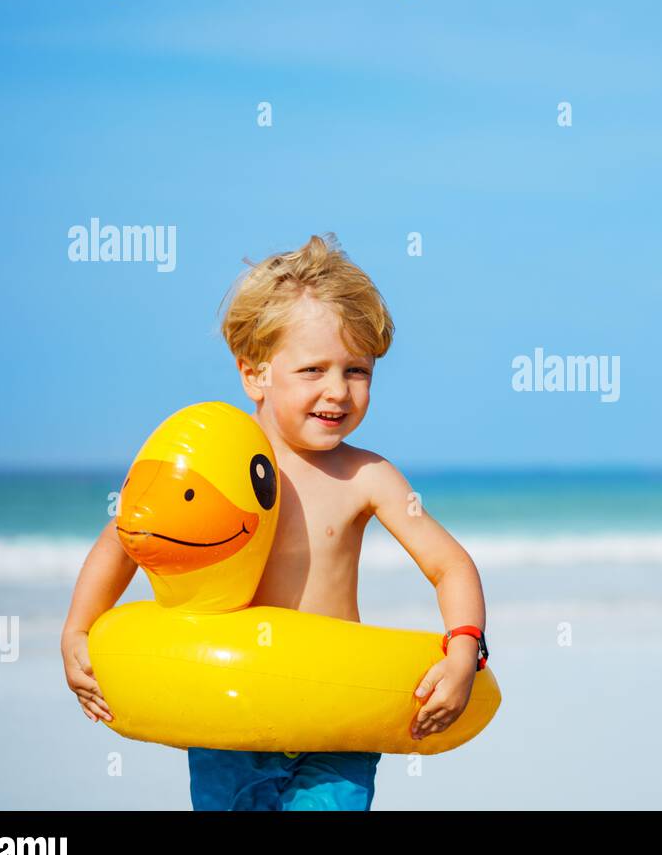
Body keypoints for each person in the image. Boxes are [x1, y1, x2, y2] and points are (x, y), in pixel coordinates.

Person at [61, 233, 489, 810]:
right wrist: (77, 630)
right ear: (254, 374)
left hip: (333, 723)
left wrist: (465, 649)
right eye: (313, 369)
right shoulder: (219, 463)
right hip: (230, 712)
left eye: (357, 371)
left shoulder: (368, 476)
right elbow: (126, 536)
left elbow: (449, 564)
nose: (337, 391)